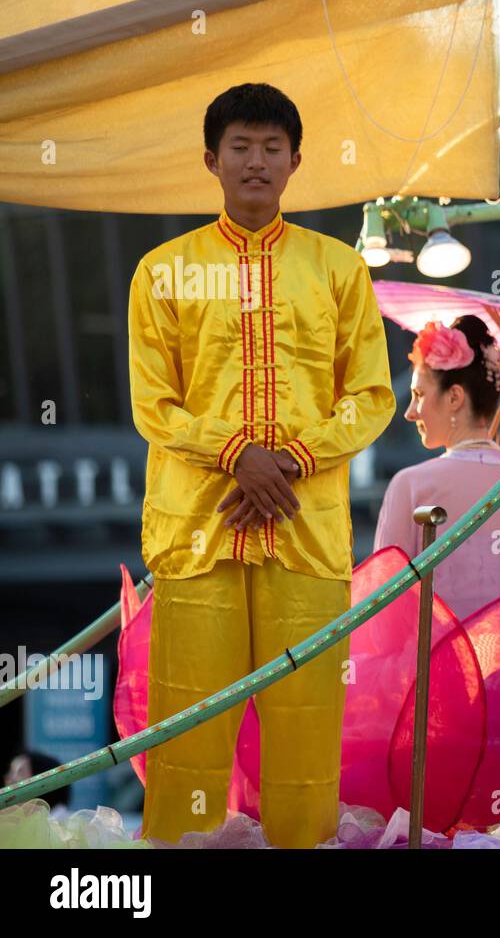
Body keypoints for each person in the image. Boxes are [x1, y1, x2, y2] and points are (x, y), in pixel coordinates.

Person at [127, 83, 395, 848]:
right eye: (240, 147)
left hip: (304, 531)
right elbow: (155, 405)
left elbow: (372, 396)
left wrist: (287, 462)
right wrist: (237, 457)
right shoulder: (163, 271)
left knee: (307, 730)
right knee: (189, 728)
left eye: (271, 148)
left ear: (296, 161)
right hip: (199, 531)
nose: (256, 161)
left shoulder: (340, 270)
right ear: (210, 160)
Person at [373, 315, 500, 619]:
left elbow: (382, 614)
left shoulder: (410, 486)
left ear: (455, 397)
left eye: (419, 395)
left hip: (434, 666)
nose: (409, 412)